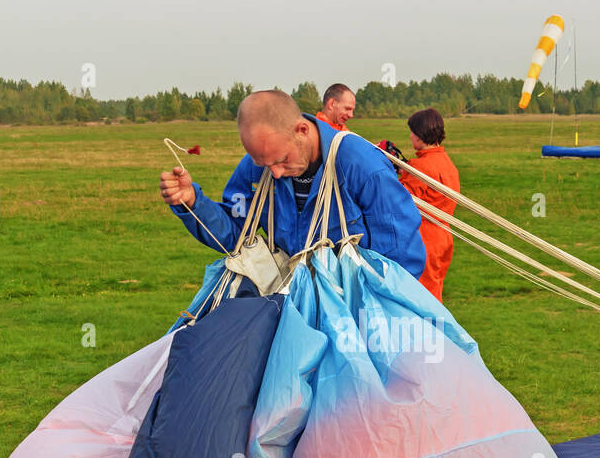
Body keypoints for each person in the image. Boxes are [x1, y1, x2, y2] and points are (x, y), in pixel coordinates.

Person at [158, 90, 425, 277]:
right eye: (265, 163)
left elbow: (399, 260)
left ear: (302, 130)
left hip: (353, 315)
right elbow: (237, 236)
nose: (273, 173)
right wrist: (193, 202)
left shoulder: (362, 165)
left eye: (282, 160)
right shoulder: (256, 167)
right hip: (290, 309)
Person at [395, 108, 459, 302]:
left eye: (413, 131)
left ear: (421, 134)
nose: (410, 136)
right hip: (444, 237)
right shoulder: (448, 164)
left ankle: (427, 332)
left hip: (423, 239)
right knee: (435, 292)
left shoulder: (419, 167)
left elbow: (398, 202)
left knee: (421, 297)